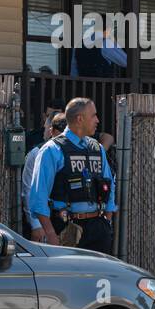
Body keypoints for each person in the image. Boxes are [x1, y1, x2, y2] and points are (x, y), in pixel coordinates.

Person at [29, 97, 116, 254]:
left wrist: (107, 222)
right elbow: (38, 198)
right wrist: (51, 235)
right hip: (66, 229)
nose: (98, 120)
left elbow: (110, 185)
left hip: (98, 229)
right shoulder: (52, 150)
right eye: (93, 115)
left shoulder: (98, 148)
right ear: (80, 119)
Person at [22, 111, 66, 236]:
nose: (44, 131)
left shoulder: (38, 152)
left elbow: (29, 189)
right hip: (46, 217)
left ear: (53, 130)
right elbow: (29, 190)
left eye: (46, 128)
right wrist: (36, 225)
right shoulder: (36, 152)